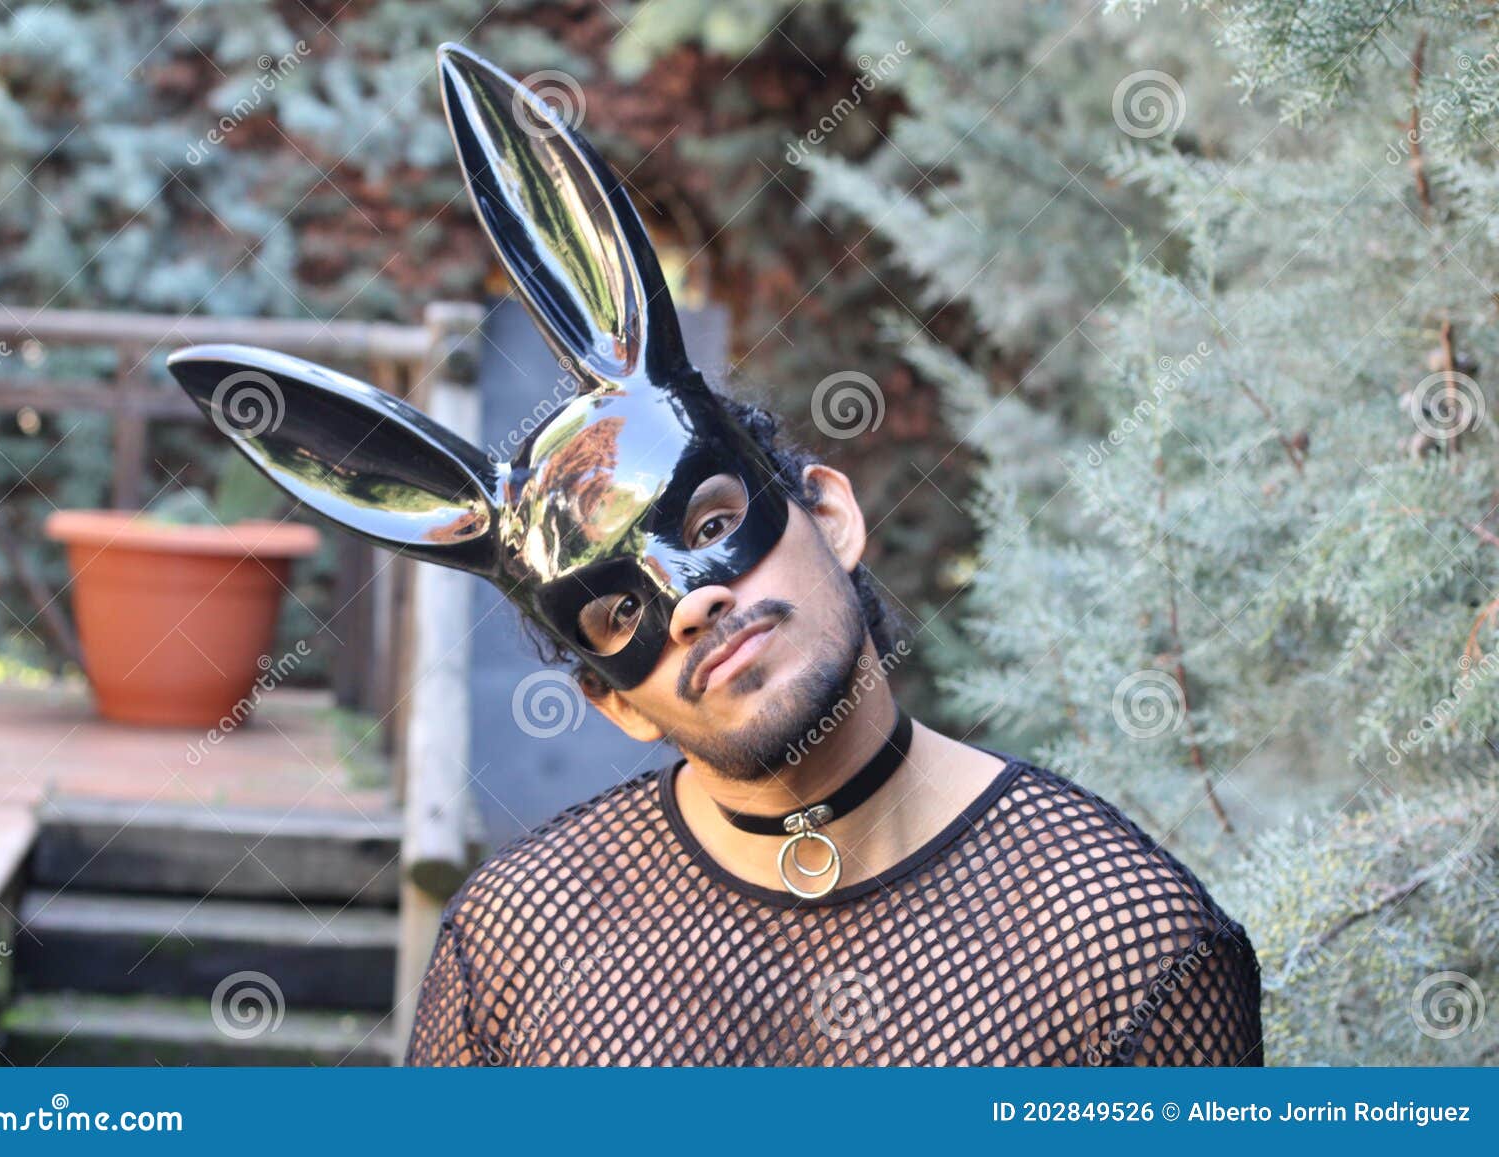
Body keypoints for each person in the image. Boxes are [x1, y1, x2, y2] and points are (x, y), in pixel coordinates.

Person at [168, 43, 1264, 1067]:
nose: (688, 604)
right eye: (614, 617)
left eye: (705, 524)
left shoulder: (1122, 950)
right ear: (619, 706)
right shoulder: (516, 944)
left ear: (828, 514)